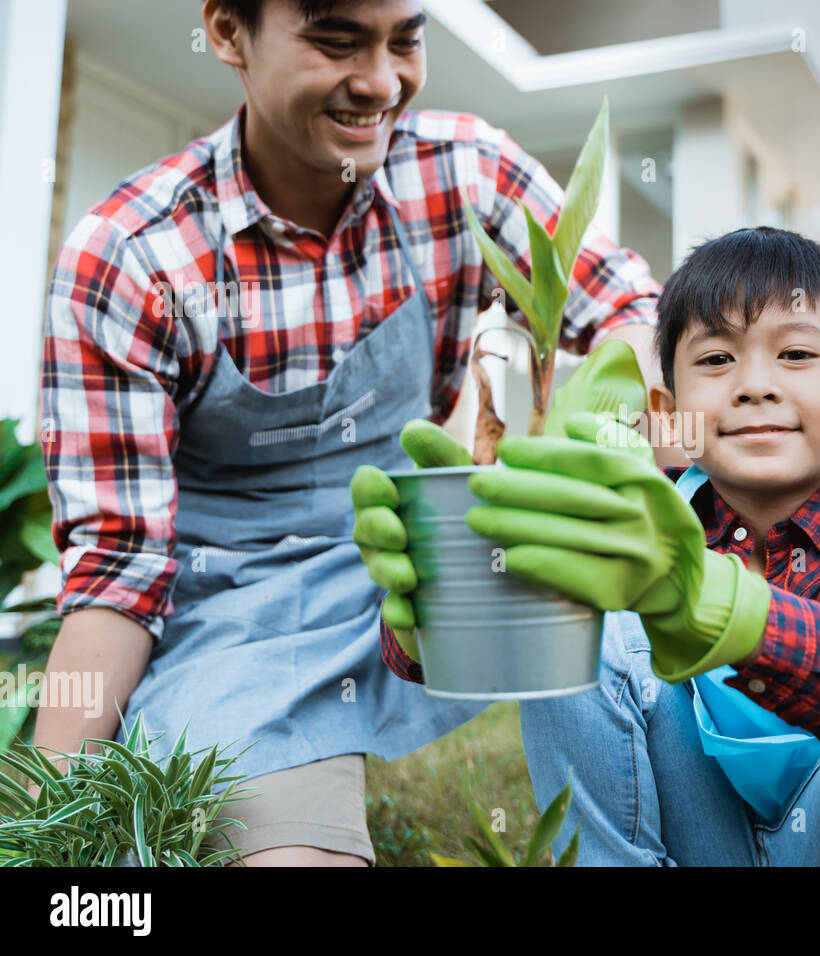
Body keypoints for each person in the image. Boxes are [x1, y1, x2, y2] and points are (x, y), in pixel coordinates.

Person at [34, 0, 662, 867]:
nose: (380, 81)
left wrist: (594, 423)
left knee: (645, 660)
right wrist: (49, 819)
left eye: (406, 39)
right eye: (337, 41)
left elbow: (635, 311)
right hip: (239, 623)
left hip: (427, 566)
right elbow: (117, 570)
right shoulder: (134, 256)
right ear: (225, 33)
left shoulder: (464, 173)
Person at [370, 226, 820, 865]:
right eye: (717, 359)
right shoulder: (645, 512)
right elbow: (515, 639)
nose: (754, 384)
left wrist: (712, 604)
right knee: (586, 615)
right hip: (704, 837)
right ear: (668, 412)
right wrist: (441, 594)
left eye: (797, 354)